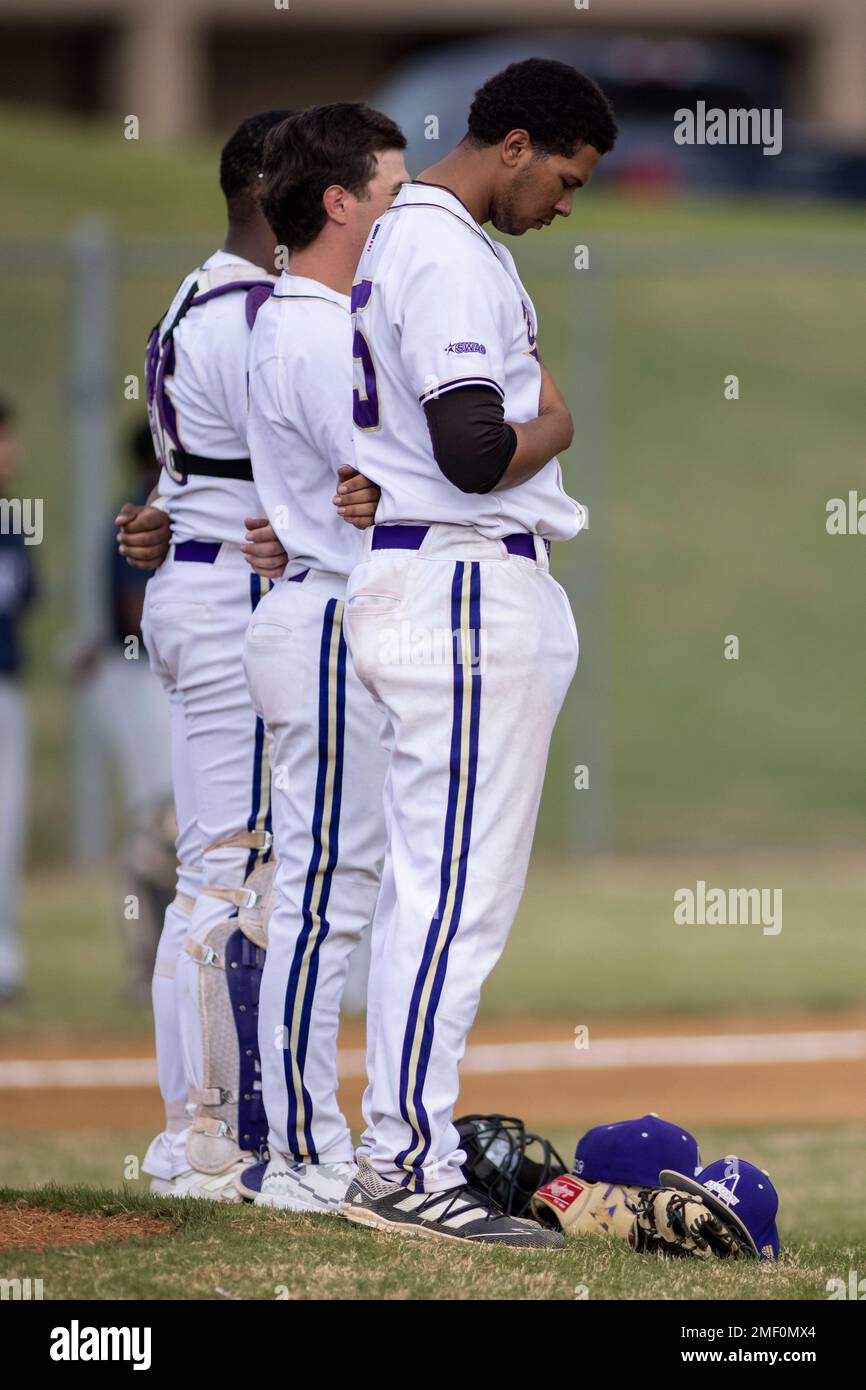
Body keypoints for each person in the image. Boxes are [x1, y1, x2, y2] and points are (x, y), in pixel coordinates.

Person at [339, 59, 618, 1246]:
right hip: (457, 583)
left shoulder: (424, 239)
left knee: (436, 891)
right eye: (563, 173)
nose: (567, 201)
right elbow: (468, 447)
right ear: (511, 143)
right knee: (450, 897)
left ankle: (402, 1140)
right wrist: (555, 423)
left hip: (439, 578)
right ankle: (401, 1157)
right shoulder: (446, 248)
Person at [240, 104, 408, 1212]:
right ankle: (304, 1154)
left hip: (320, 604)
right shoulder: (311, 326)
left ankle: (312, 1144)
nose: (406, 207)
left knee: (334, 888)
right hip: (332, 613)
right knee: (323, 895)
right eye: (392, 188)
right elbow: (395, 474)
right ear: (337, 201)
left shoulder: (303, 315)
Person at [74, 421, 174, 1002]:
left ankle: (157, 962)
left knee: (170, 825)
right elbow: (135, 610)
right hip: (139, 680)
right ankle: (143, 965)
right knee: (155, 825)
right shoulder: (139, 507)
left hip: (151, 679)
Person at [0, 398, 36, 1006]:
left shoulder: (12, 519)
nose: (12, 453)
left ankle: (4, 962)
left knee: (6, 827)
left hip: (5, 683)